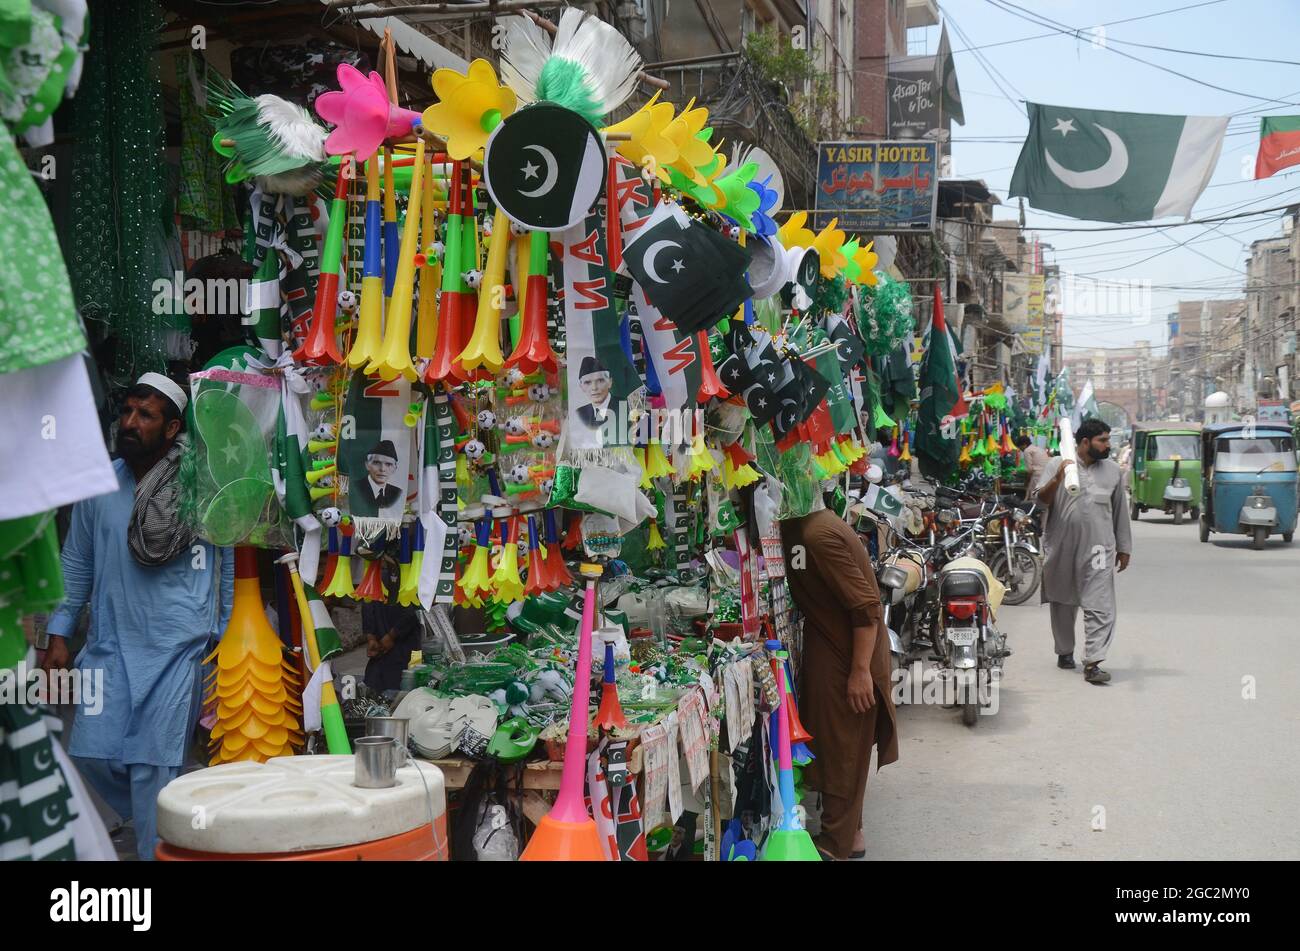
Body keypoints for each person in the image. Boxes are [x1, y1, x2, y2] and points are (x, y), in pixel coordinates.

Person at [43, 373, 233, 860]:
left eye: (144, 416)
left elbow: (224, 566)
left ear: (171, 429)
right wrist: (59, 634)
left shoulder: (199, 487)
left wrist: (224, 637)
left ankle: (156, 850)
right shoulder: (98, 484)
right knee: (91, 751)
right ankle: (181, 810)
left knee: (151, 764)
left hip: (177, 648)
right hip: (108, 647)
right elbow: (76, 562)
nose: (129, 423)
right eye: (126, 411)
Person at [780, 505, 898, 860]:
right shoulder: (805, 528)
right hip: (832, 650)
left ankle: (835, 844)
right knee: (836, 741)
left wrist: (860, 671)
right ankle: (851, 833)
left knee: (842, 745)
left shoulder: (816, 534)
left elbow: (866, 609)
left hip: (848, 658)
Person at [1033, 417, 1132, 685]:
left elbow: (1120, 512)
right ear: (1085, 442)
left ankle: (1094, 661)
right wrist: (1059, 477)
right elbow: (1040, 502)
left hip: (1099, 549)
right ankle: (1065, 651)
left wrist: (1124, 547)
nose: (1108, 444)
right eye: (1103, 440)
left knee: (1100, 603)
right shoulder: (1057, 463)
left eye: (1108, 439)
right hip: (1063, 546)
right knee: (1063, 602)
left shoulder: (1112, 470)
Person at [362, 558, 422, 694]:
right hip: (404, 650)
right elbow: (410, 613)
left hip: (381, 652)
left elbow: (367, 606)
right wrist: (391, 636)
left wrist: (371, 638)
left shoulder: (373, 579)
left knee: (379, 693)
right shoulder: (408, 579)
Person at [353, 439, 402, 516]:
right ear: (367, 465)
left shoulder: (397, 493)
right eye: (376, 463)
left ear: (394, 469)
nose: (382, 469)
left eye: (388, 464)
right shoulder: (356, 489)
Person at [574, 357, 613, 429]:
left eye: (600, 380)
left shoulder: (625, 406)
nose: (594, 388)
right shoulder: (580, 413)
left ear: (610, 382)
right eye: (588, 382)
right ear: (581, 386)